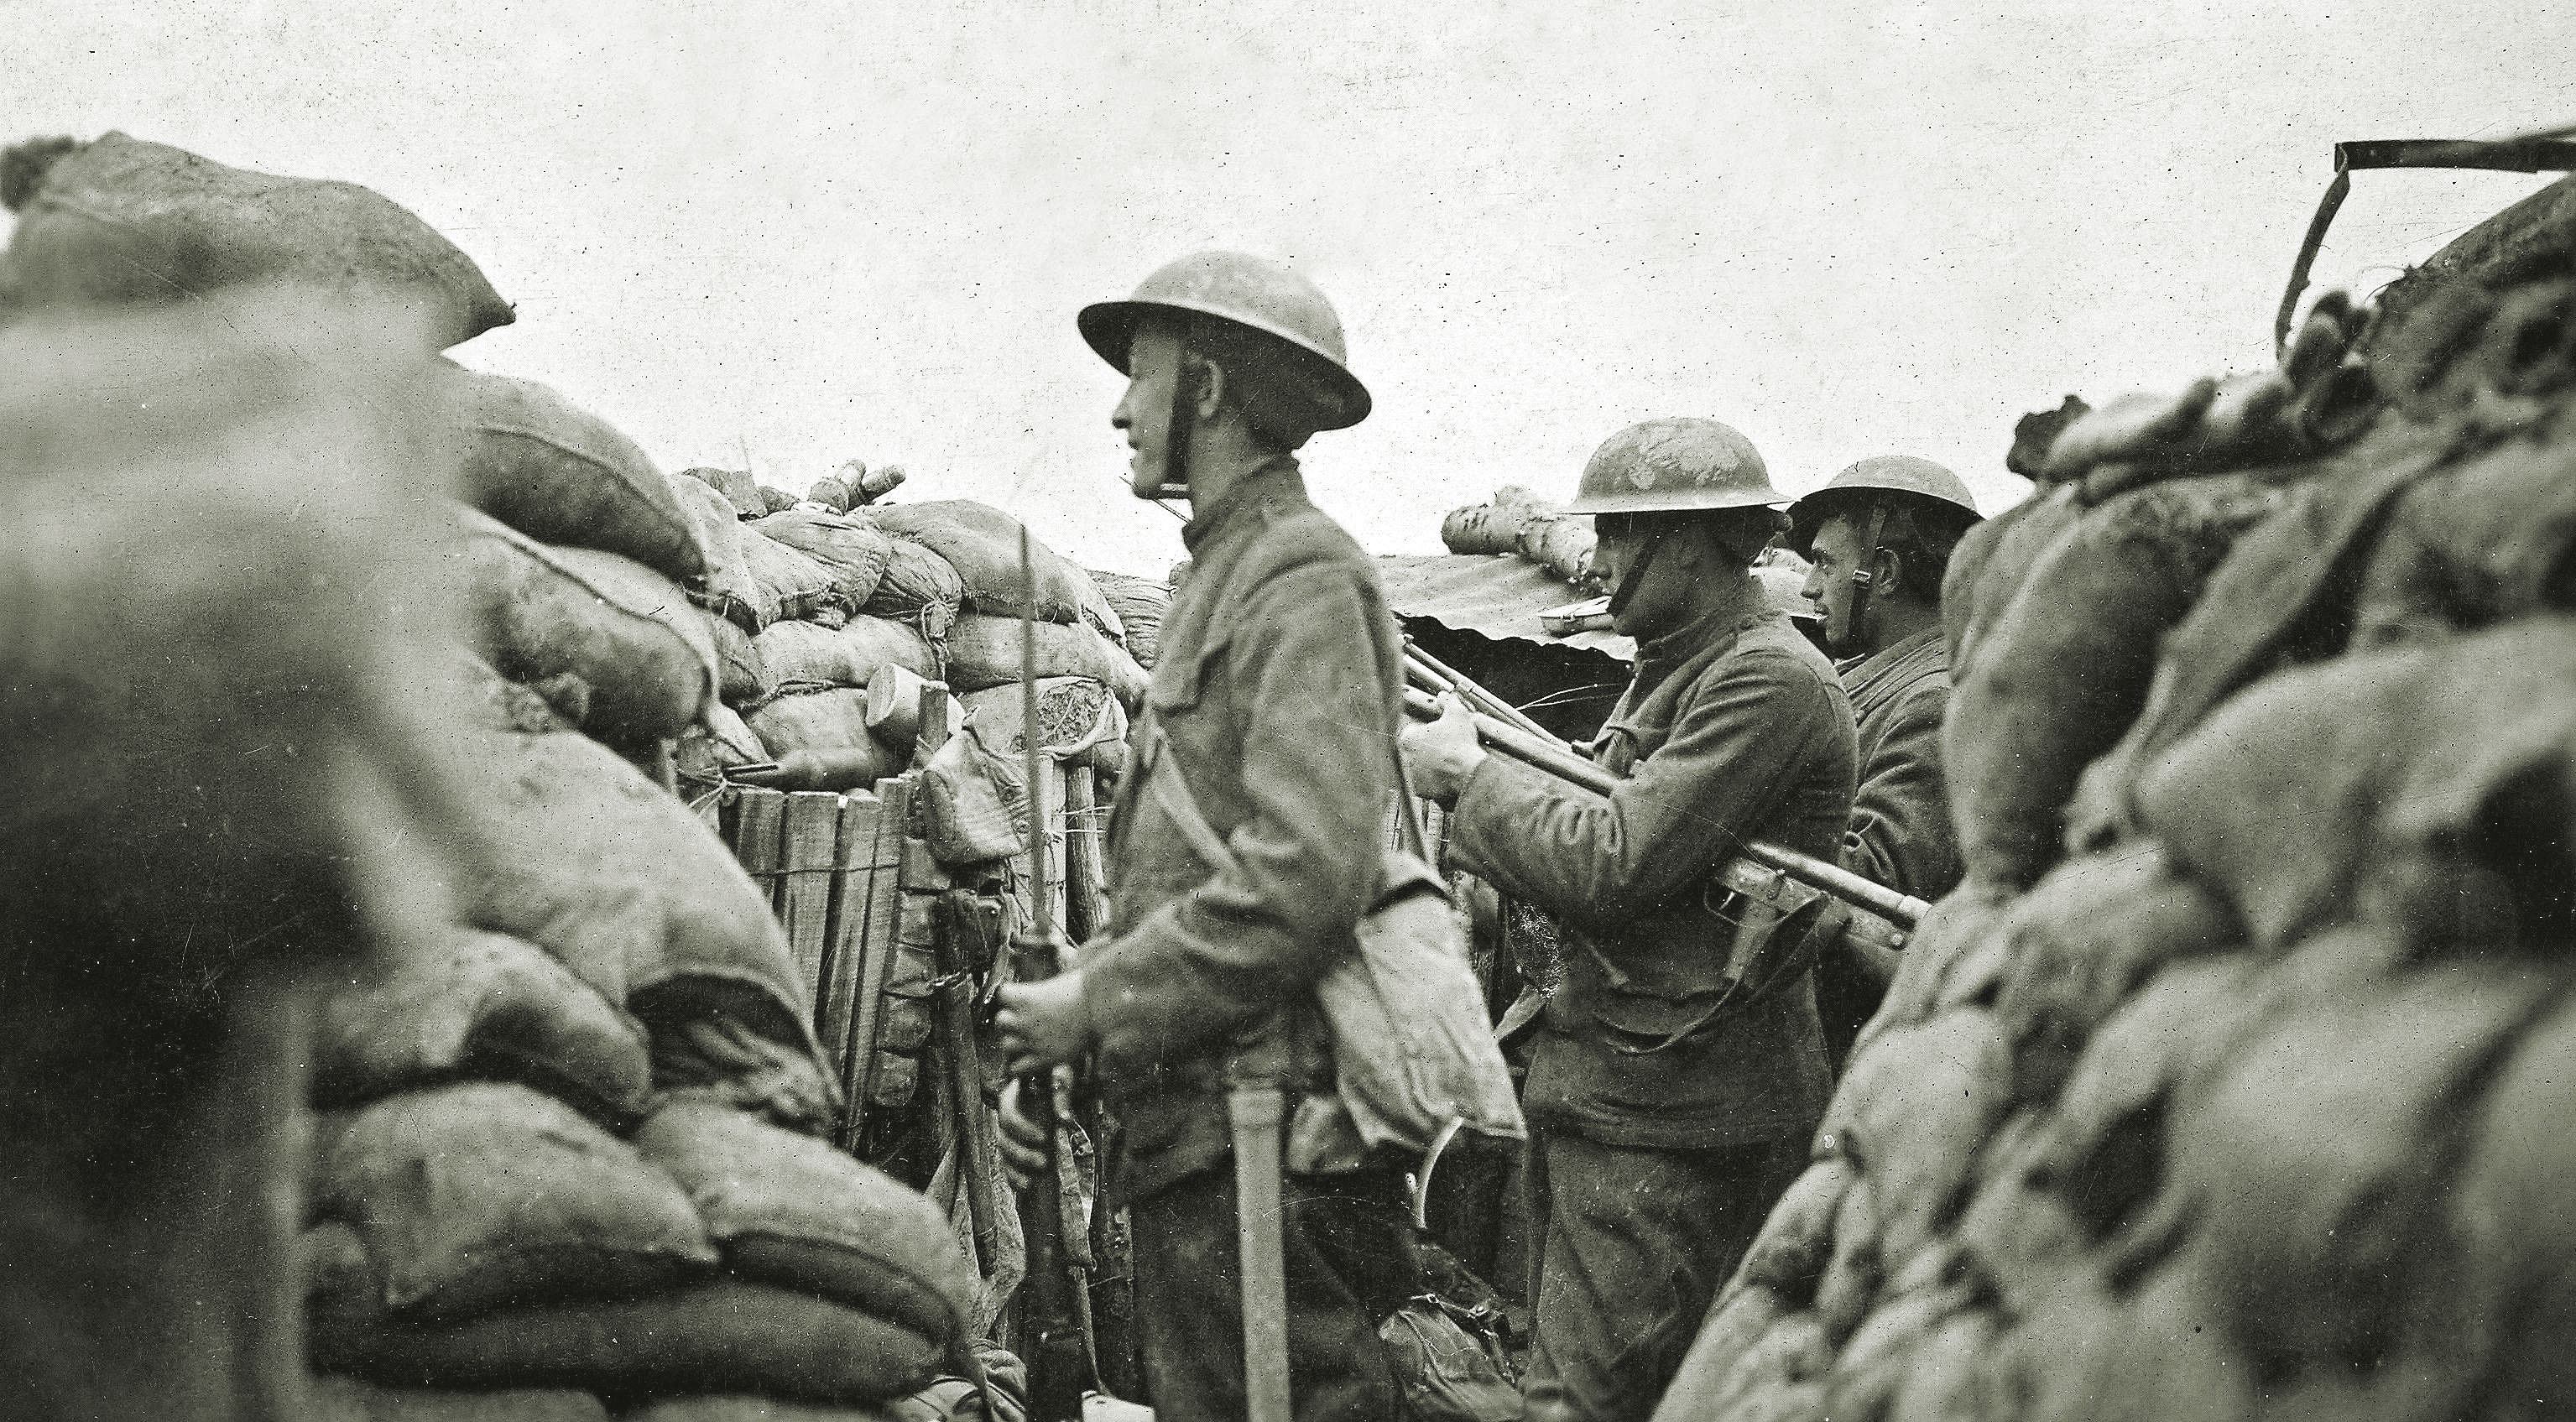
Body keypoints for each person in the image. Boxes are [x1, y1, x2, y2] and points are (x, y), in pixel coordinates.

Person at [992, 252, 1416, 1422]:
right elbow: (1190, 877)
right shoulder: (1228, 573)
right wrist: (1076, 1036)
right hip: (1206, 1126)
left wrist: (1092, 1003)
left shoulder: (1304, 578)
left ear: (1212, 390)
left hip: (1266, 1134)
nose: (1121, 406)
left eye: (1142, 375)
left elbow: (1301, 877)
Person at [1401, 418, 1858, 1422]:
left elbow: (1617, 862)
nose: (1598, 558)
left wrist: (1469, 784)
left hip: (1676, 1116)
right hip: (1626, 1092)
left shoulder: (1767, 680)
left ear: (1686, 543)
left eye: (1615, 534)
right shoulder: (1682, 663)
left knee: (1581, 1402)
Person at [1787, 456, 1984, 1065]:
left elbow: (1872, 892)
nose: (1808, 588)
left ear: (1887, 571)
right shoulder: (1879, 683)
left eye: (1824, 563)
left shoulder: (1935, 698)